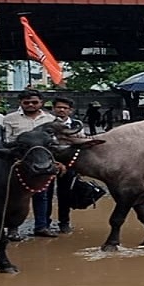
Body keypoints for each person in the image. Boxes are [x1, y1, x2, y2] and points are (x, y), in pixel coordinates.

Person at [3, 89, 61, 236]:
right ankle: (13, 229)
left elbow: (55, 143)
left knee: (43, 195)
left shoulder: (50, 119)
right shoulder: (10, 118)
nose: (30, 105)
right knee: (14, 196)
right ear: (20, 103)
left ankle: (42, 226)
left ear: (41, 103)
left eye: (34, 102)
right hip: (21, 163)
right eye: (26, 102)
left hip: (43, 161)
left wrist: (57, 162)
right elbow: (7, 141)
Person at [48, 97, 84, 233]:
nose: (62, 110)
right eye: (59, 107)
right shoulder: (47, 124)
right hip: (49, 161)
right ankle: (44, 223)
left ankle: (64, 222)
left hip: (70, 162)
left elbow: (81, 141)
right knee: (46, 193)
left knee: (65, 193)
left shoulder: (76, 124)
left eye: (65, 108)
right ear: (53, 109)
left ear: (70, 110)